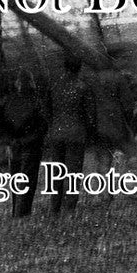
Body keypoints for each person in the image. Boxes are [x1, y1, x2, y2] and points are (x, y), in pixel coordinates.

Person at [43, 55, 97, 213]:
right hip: (76, 133)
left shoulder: (55, 86)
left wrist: (52, 125)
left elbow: (46, 109)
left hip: (57, 132)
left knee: (56, 171)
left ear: (64, 67)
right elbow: (90, 115)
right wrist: (90, 131)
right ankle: (69, 207)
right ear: (79, 68)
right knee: (73, 172)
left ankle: (54, 206)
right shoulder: (82, 87)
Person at [0, 68, 48, 218]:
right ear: (31, 83)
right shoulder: (37, 101)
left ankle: (16, 211)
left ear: (17, 84)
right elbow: (42, 127)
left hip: (12, 146)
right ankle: (22, 213)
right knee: (28, 180)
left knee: (15, 179)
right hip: (31, 146)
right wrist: (25, 140)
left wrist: (10, 141)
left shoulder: (5, 101)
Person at [89, 46, 137, 175]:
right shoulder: (118, 78)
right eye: (123, 58)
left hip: (98, 126)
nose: (126, 62)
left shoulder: (93, 78)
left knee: (104, 161)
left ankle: (104, 193)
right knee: (132, 155)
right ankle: (132, 190)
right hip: (117, 124)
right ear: (114, 60)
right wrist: (128, 123)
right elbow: (128, 105)